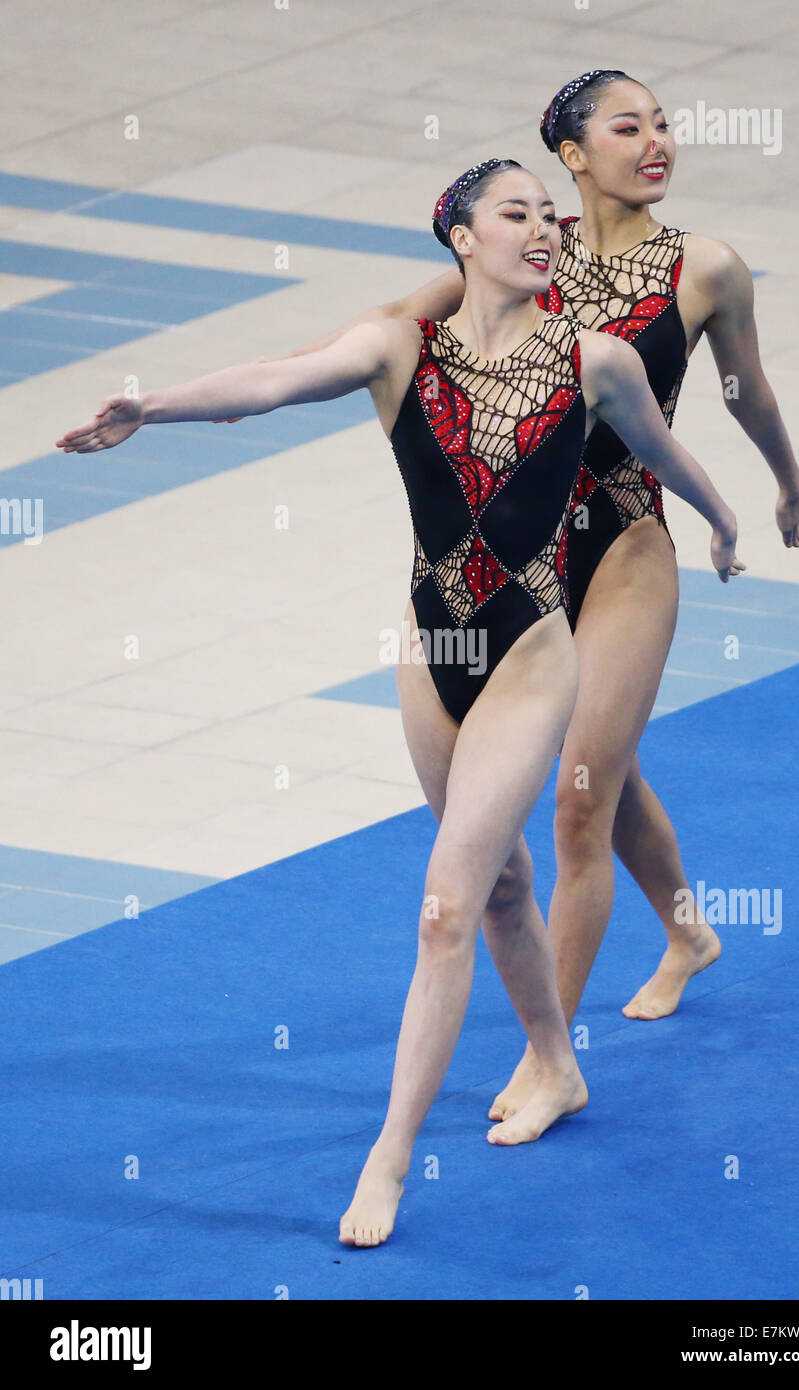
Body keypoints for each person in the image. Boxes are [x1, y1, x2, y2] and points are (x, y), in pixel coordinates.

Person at [58, 160, 742, 1247]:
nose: (542, 228)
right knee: (503, 888)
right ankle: (558, 1064)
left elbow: (665, 455)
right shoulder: (399, 350)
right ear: (461, 238)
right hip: (433, 655)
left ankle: (386, 1159)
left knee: (446, 907)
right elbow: (273, 380)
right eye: (514, 213)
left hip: (529, 657)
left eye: (548, 214)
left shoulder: (594, 359)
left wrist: (725, 519)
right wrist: (153, 407)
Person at [238, 70, 799, 1125]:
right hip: (521, 562)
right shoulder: (523, 251)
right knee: (608, 771)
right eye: (627, 127)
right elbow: (385, 326)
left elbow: (744, 388)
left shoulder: (705, 267)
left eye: (664, 125)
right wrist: (270, 380)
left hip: (624, 544)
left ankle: (553, 1056)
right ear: (572, 155)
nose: (656, 142)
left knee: (580, 796)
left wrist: (784, 480)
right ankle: (687, 929)